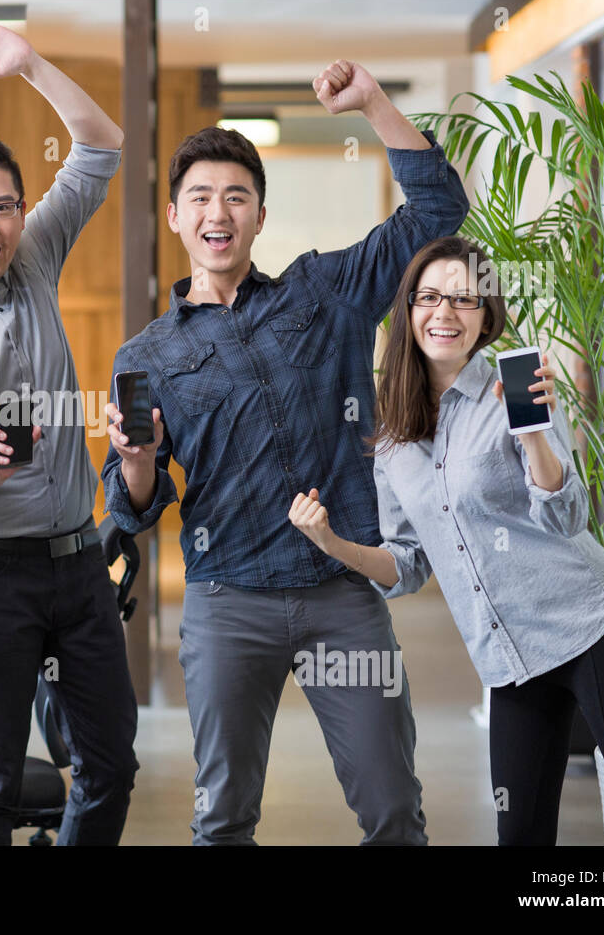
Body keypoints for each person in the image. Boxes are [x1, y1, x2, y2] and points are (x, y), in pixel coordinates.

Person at [102, 60, 469, 845]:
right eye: (200, 196)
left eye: (236, 196)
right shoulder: (147, 355)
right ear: (175, 216)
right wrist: (137, 460)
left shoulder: (324, 293)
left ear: (260, 216)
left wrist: (372, 101)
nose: (218, 211)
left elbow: (439, 211)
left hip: (341, 589)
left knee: (395, 809)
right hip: (226, 600)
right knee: (224, 819)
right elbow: (130, 506)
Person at [289, 234, 604, 845]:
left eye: (464, 298)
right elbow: (406, 565)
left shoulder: (514, 390)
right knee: (522, 839)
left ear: (486, 317)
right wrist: (331, 544)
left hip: (594, 627)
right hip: (511, 661)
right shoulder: (393, 434)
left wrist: (533, 433)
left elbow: (565, 519)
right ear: (408, 312)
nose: (445, 312)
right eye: (429, 297)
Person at [0, 15, 138, 845]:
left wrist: (31, 66)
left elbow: (102, 144)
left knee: (111, 765)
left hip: (81, 562)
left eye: (4, 207)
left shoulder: (38, 255)